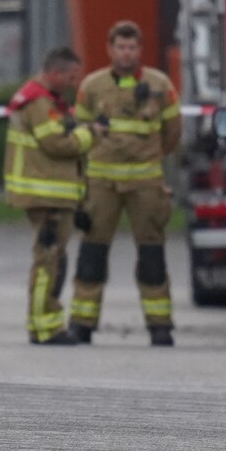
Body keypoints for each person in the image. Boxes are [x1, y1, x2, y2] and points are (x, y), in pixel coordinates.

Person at [67, 21, 182, 347]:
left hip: (146, 182)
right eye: (121, 47)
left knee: (151, 253)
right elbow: (79, 128)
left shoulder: (160, 84)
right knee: (92, 251)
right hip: (101, 182)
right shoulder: (93, 86)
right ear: (110, 49)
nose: (126, 53)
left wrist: (153, 157)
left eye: (132, 47)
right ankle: (82, 323)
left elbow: (173, 132)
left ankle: (160, 325)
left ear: (139, 50)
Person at [4, 47, 102, 345]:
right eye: (71, 77)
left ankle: (44, 323)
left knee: (51, 260)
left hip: (49, 195)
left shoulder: (46, 99)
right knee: (48, 262)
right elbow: (57, 144)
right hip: (46, 196)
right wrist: (91, 134)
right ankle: (45, 326)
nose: (75, 83)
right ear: (56, 73)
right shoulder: (39, 102)